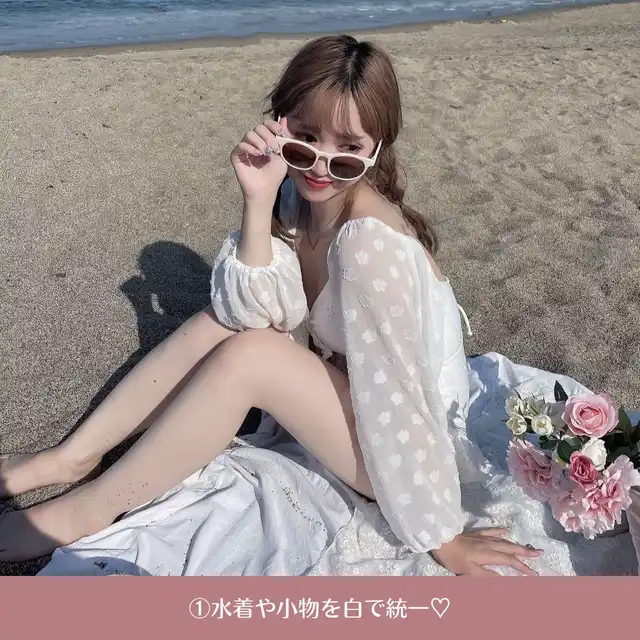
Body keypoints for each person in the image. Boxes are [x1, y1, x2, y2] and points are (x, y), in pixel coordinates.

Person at [0, 35, 636, 577]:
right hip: (352, 396)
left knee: (250, 356)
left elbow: (400, 398)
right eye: (303, 139)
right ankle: (72, 457)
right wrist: (256, 200)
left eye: (347, 148)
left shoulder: (369, 247)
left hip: (406, 442)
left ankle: (88, 509)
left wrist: (442, 536)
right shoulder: (295, 195)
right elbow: (249, 306)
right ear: (280, 123)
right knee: (223, 323)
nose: (321, 164)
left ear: (377, 148)